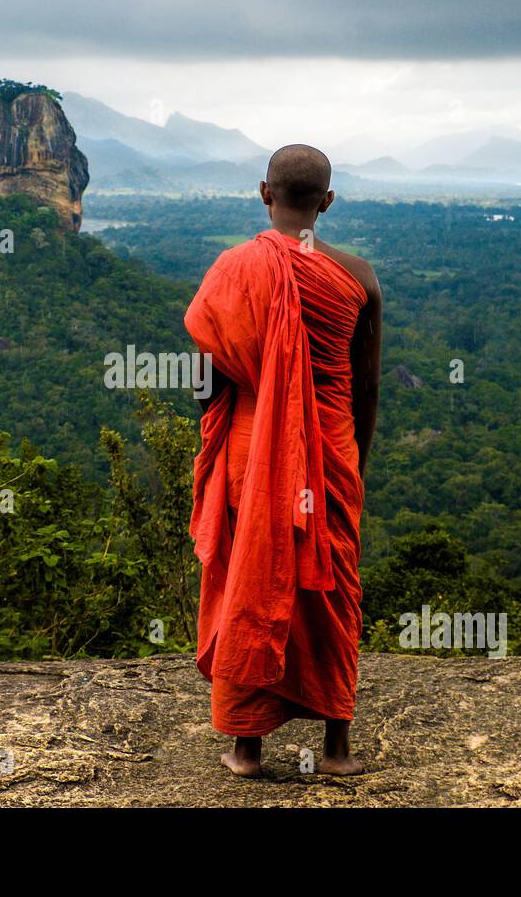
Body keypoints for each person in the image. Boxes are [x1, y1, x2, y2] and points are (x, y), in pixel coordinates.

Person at [184, 144, 382, 777]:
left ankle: (246, 747)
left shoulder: (233, 268)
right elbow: (366, 387)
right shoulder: (359, 276)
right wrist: (354, 463)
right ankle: (336, 749)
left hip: (250, 451)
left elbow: (206, 377)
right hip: (331, 451)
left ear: (264, 193)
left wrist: (221, 440)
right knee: (329, 589)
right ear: (327, 202)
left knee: (250, 578)